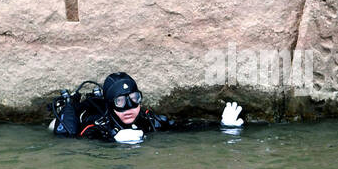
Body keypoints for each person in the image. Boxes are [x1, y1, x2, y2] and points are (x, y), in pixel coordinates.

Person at [51, 72, 244, 143]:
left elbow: (182, 128)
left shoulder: (146, 119)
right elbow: (86, 135)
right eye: (120, 102)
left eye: (134, 99)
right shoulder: (100, 122)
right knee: (59, 128)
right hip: (85, 121)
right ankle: (67, 106)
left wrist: (224, 127)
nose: (128, 107)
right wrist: (111, 138)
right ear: (110, 104)